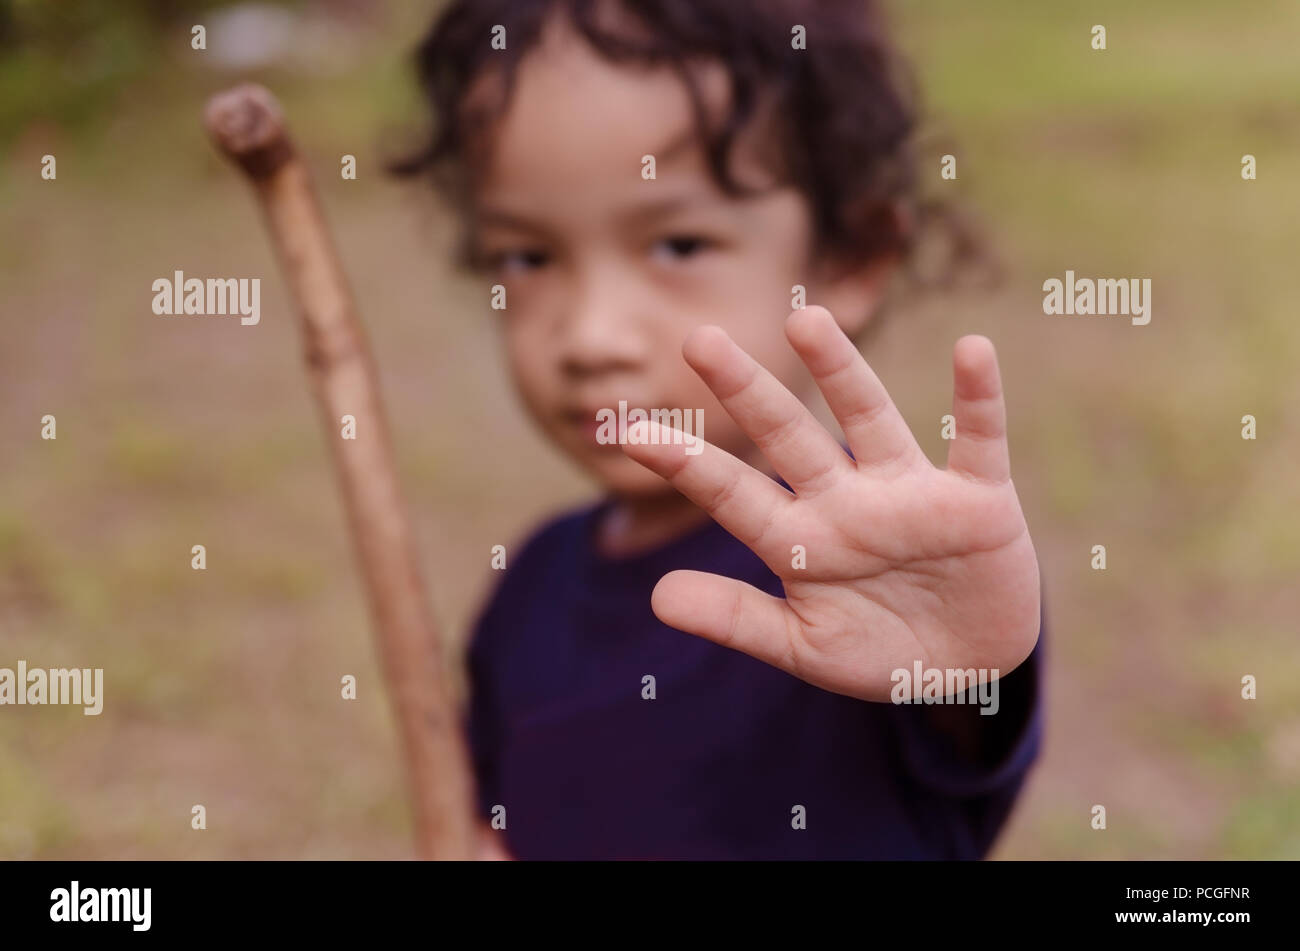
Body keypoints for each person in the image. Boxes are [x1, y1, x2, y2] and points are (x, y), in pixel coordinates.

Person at [393, 0, 1045, 859]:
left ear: (848, 257)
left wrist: (965, 671)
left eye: (679, 246)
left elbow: (967, 717)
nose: (591, 335)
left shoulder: (882, 567)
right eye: (528, 256)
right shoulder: (527, 590)